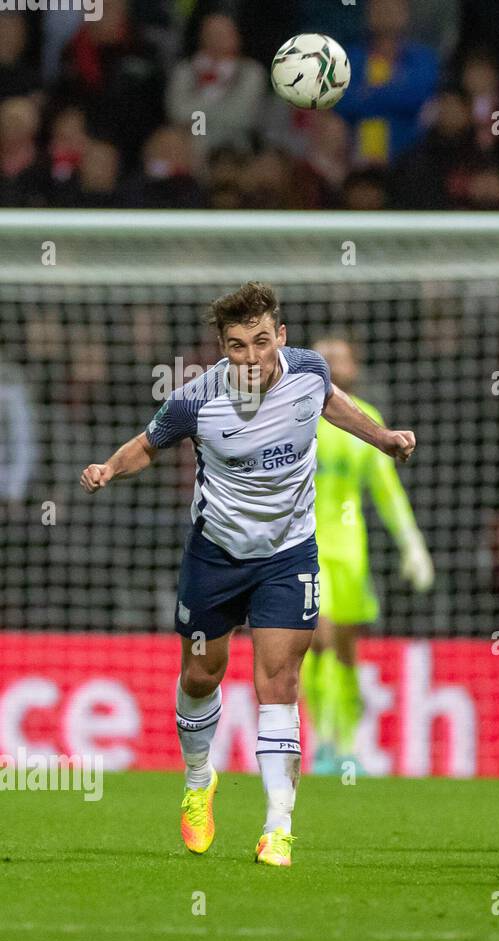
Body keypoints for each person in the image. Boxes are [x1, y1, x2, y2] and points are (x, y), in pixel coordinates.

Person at [79, 283, 417, 867]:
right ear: (222, 348)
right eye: (238, 346)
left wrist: (382, 438)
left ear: (280, 337)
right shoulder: (196, 399)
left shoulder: (307, 371)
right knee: (202, 675)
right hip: (215, 558)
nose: (253, 356)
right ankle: (197, 780)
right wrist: (109, 469)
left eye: (263, 341)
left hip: (288, 556)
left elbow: (330, 401)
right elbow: (147, 444)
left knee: (278, 682)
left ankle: (278, 828)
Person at [303, 337, 434, 776]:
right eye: (325, 355)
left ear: (354, 366)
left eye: (340, 355)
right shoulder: (299, 414)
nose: (333, 362)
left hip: (350, 553)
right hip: (306, 548)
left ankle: (345, 743)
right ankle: (320, 738)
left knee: (344, 652)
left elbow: (387, 492)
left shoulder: (368, 422)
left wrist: (412, 543)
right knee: (315, 641)